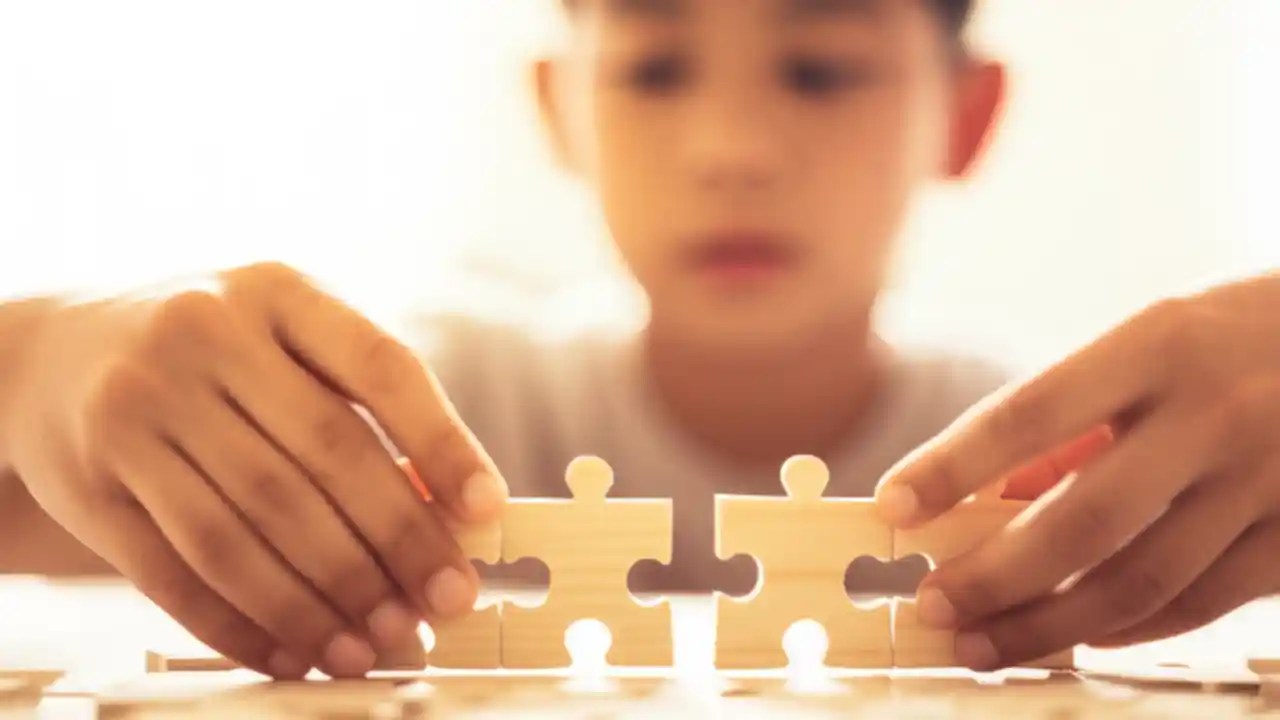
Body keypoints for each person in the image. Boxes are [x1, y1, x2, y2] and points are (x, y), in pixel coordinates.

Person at [1, 0, 1277, 681]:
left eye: (820, 70)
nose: (729, 150)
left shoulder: (1085, 476)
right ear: (559, 110)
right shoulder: (408, 414)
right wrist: (28, 370)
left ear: (964, 113)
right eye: (654, 69)